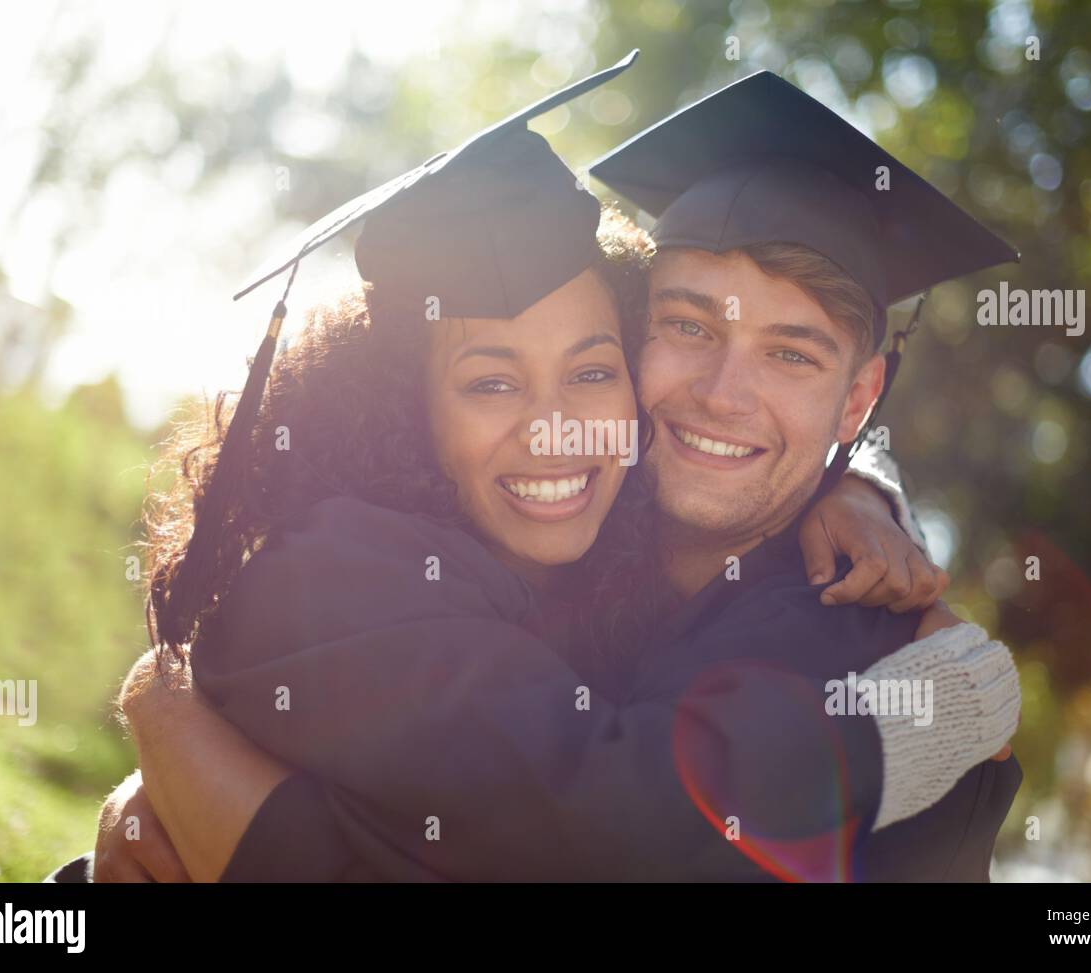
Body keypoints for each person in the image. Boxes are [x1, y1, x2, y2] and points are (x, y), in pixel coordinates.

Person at [54, 61, 1019, 883]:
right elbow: (577, 806)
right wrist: (160, 723)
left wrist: (868, 491)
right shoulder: (479, 560)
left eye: (793, 355)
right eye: (687, 326)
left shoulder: (866, 652)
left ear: (857, 404)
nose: (723, 394)